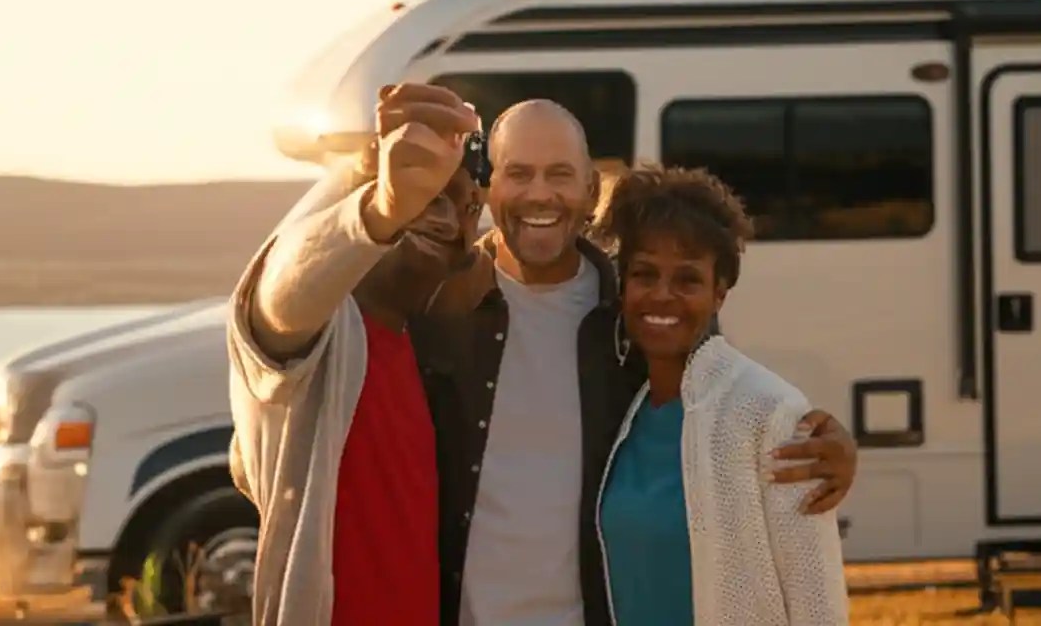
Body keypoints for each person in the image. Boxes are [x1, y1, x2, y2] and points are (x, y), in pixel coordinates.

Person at [408, 97, 859, 626]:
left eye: (559, 174)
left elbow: (727, 400)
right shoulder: (438, 304)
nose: (539, 193)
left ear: (591, 191)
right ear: (489, 187)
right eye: (518, 173)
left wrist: (828, 444)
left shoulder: (627, 315)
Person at [226, 83, 483, 626]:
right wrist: (381, 208)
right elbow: (286, 279)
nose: (454, 226)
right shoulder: (310, 341)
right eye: (432, 197)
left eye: (468, 209)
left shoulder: (422, 345)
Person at [592, 163, 849, 625]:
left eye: (687, 279)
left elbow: (818, 603)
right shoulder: (622, 411)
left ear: (719, 293)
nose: (662, 295)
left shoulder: (769, 411)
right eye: (644, 274)